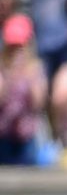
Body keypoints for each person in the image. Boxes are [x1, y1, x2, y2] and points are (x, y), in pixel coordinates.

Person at [0, 15, 45, 166]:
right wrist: (9, 78)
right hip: (3, 135)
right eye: (12, 47)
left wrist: (28, 75)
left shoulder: (35, 68)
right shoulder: (2, 68)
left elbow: (38, 104)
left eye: (19, 46)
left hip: (26, 136)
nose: (16, 51)